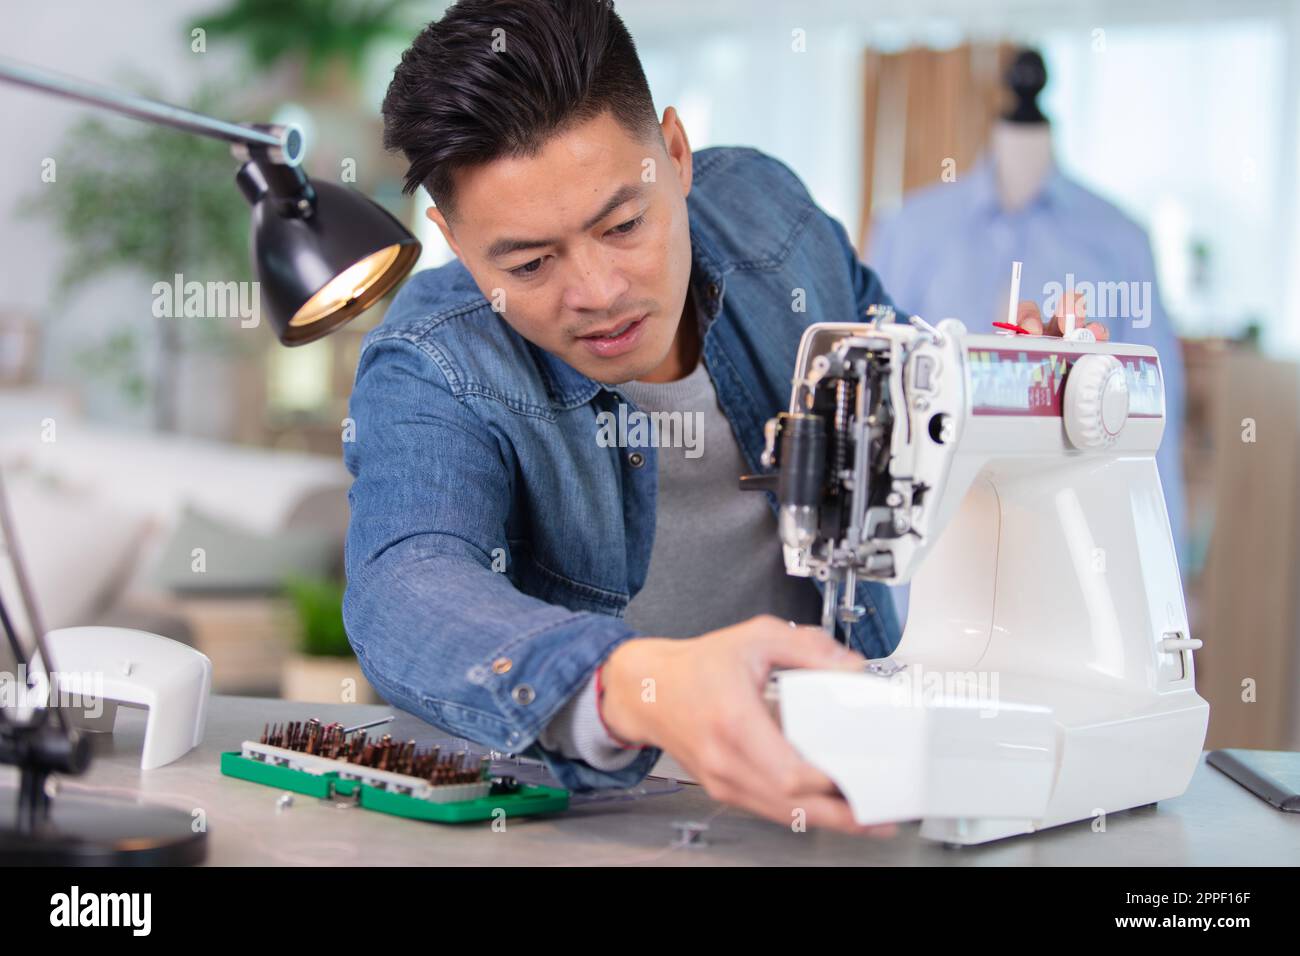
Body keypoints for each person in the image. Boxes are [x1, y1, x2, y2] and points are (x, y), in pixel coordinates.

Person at [344, 0, 1104, 834]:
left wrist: (1010, 400)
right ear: (451, 237)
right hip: (590, 826)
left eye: (625, 223)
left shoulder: (773, 222)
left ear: (674, 153)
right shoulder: (433, 362)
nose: (599, 294)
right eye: (529, 262)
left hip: (845, 796)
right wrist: (644, 687)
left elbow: (903, 386)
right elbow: (405, 583)